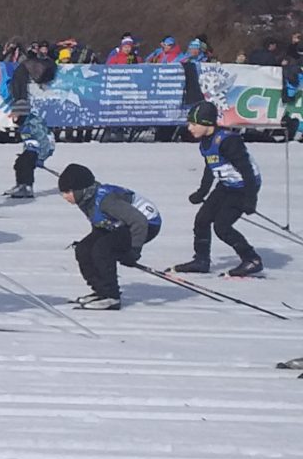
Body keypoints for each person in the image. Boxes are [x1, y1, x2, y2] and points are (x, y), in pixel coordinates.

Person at [57, 163, 162, 311]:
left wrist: (134, 251)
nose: (64, 196)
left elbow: (139, 221)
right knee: (84, 249)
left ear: (81, 190)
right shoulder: (85, 200)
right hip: (120, 224)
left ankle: (111, 296)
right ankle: (101, 291)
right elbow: (99, 222)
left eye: (68, 191)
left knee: (102, 249)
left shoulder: (106, 201)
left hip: (146, 225)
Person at [175, 99, 262, 277]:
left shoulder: (229, 141)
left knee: (222, 226)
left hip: (244, 186)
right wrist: (202, 192)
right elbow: (211, 168)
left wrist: (250, 200)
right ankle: (201, 260)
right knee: (202, 220)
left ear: (206, 123)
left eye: (193, 124)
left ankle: (252, 259)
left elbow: (246, 170)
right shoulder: (205, 142)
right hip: (226, 185)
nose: (189, 128)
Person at [1, 44, 57, 198]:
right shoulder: (44, 71)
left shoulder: (22, 72)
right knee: (22, 161)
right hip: (36, 132)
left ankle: (25, 186)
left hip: (35, 135)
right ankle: (23, 184)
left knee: (25, 161)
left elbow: (20, 94)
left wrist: (17, 111)